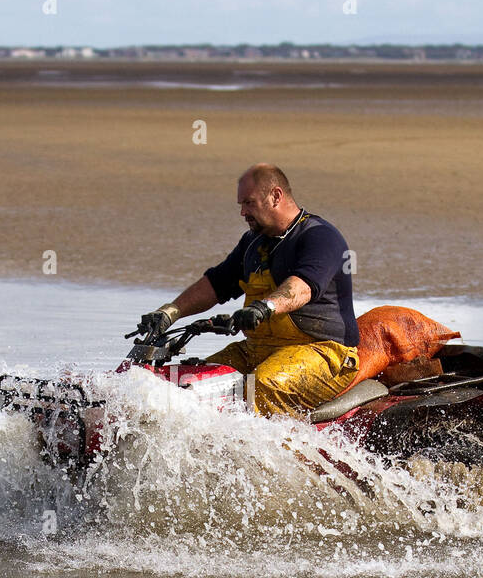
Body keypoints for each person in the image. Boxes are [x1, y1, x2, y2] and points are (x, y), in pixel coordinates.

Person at [139, 164, 359, 417]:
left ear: (276, 196)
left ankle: (272, 455)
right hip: (257, 350)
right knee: (192, 380)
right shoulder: (252, 242)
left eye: (249, 203)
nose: (243, 212)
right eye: (241, 205)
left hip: (325, 353)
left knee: (264, 384)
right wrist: (170, 312)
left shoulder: (320, 237)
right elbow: (216, 284)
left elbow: (302, 288)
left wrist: (265, 307)